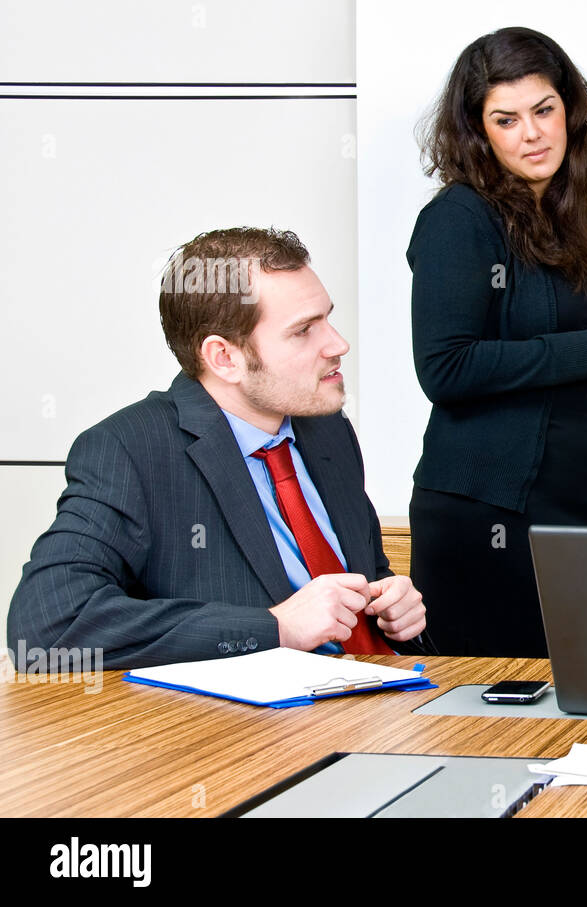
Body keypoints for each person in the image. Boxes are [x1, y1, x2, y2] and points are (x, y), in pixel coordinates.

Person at [407, 26, 587, 657]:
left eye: (543, 110)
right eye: (506, 119)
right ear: (477, 130)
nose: (532, 133)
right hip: (489, 513)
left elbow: (550, 342)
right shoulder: (457, 219)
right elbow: (446, 367)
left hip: (582, 501)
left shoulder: (566, 211)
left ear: (570, 108)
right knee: (497, 735)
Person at [7, 228, 429, 670]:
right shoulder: (131, 449)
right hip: (261, 729)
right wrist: (274, 627)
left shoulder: (327, 428)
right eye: (304, 330)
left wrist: (393, 604)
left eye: (327, 317)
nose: (338, 344)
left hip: (394, 691)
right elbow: (48, 624)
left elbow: (361, 575)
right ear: (224, 358)